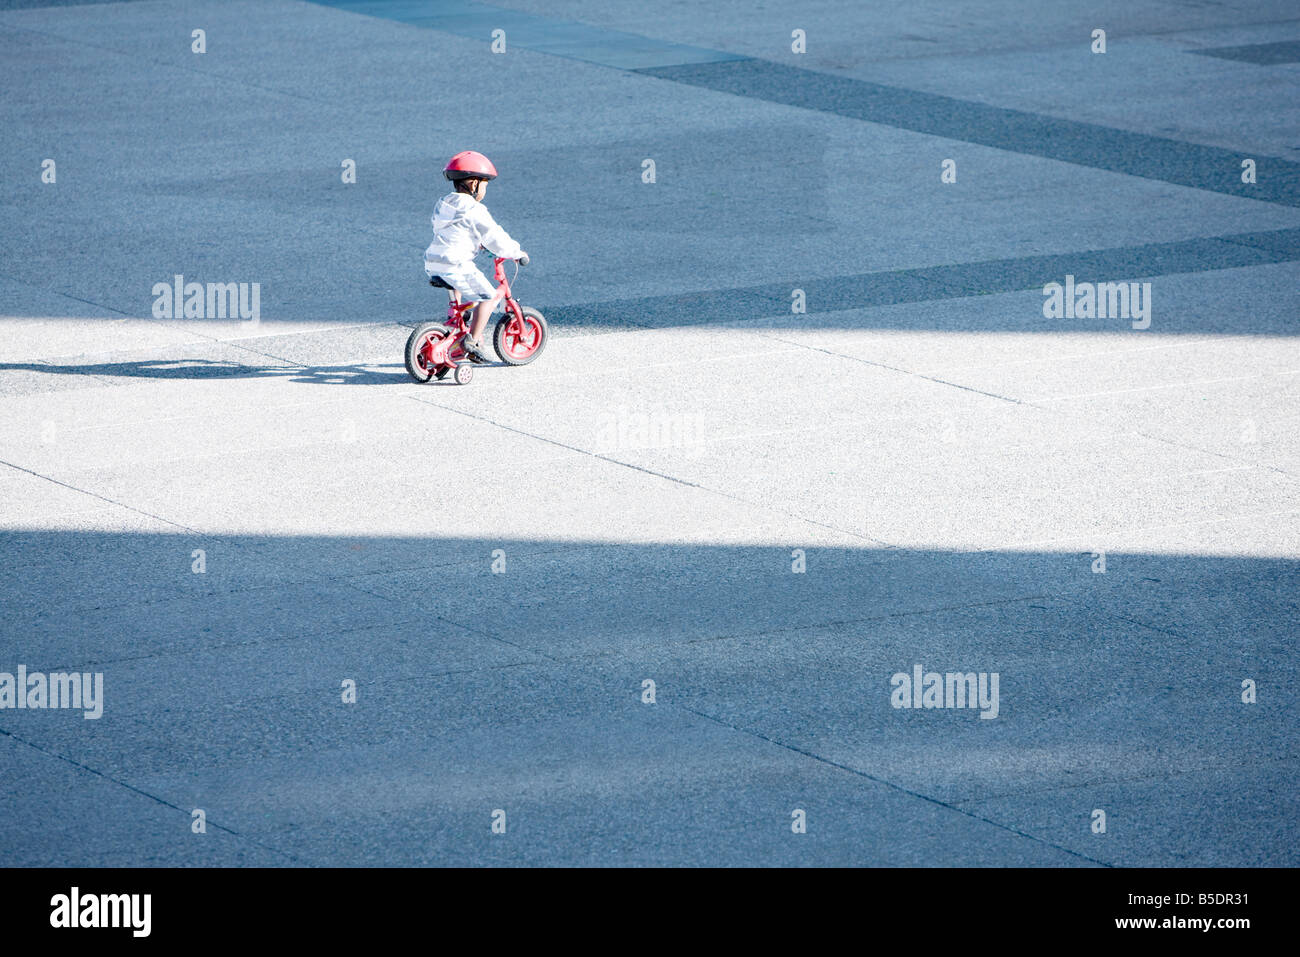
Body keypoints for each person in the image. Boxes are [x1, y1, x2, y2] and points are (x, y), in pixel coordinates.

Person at [423, 151, 529, 362]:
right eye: (485, 184)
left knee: (459, 288)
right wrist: (515, 253)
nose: (485, 190)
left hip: (433, 261)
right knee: (488, 296)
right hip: (455, 263)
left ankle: (456, 320)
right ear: (473, 184)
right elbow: (494, 236)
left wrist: (474, 241)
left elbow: (452, 229)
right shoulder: (474, 209)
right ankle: (471, 341)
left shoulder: (444, 203)